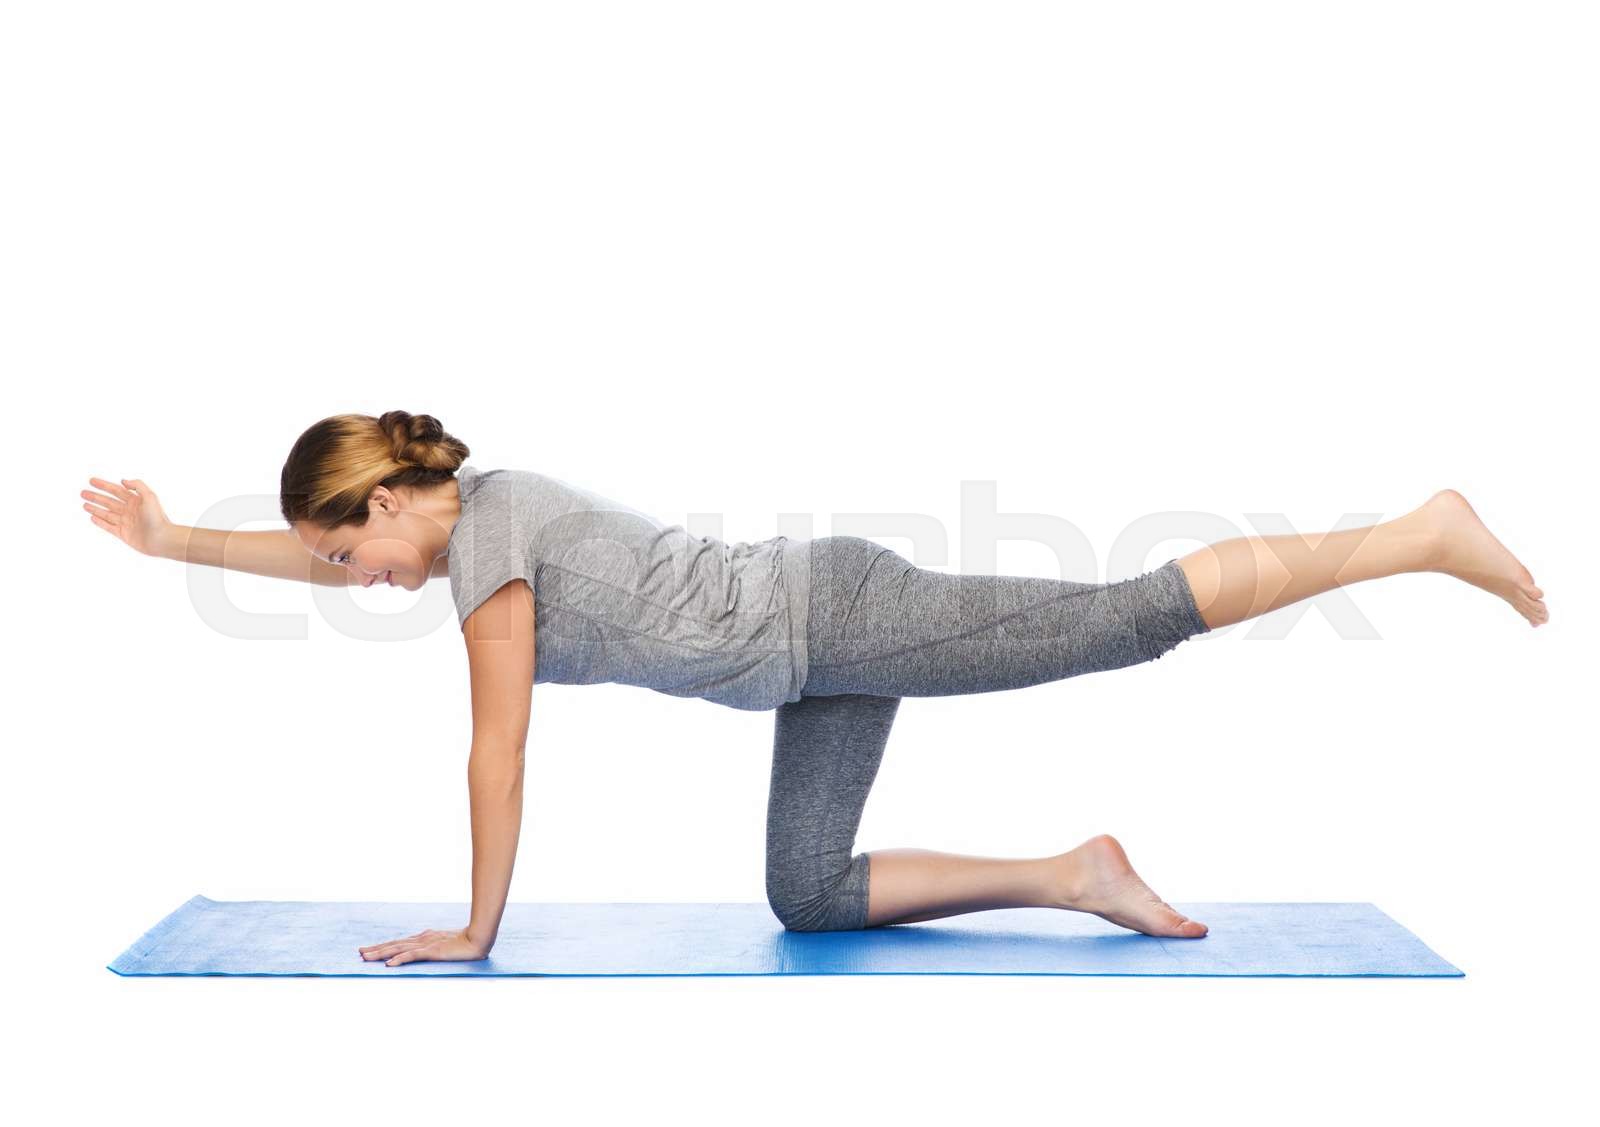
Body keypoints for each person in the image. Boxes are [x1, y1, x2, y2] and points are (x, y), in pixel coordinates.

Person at [81, 410, 1548, 967]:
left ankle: (1416, 533)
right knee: (807, 889)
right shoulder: (470, 518)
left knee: (1121, 620)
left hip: (843, 620)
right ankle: (1076, 872)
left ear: (405, 495)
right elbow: (315, 551)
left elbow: (496, 758)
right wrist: (170, 543)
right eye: (342, 571)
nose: (359, 583)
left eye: (359, 555)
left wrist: (477, 929)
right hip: (804, 659)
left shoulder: (493, 571)